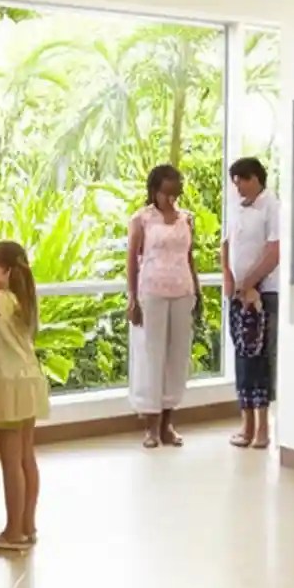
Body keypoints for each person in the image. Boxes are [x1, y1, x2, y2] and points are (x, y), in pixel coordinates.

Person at [0, 240, 49, 552]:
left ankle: (12, 532)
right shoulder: (22, 299)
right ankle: (27, 525)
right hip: (29, 379)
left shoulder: (1, 299)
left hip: (8, 383)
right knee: (26, 457)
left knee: (11, 461)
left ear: (5, 270)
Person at [126, 164, 201, 449]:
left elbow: (189, 257)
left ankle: (169, 423)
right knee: (151, 355)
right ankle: (151, 427)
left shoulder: (186, 219)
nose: (171, 198)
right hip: (152, 293)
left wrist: (198, 293)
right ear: (155, 191)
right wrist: (133, 298)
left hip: (182, 292)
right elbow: (132, 260)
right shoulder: (142, 219)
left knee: (176, 356)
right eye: (166, 193)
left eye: (175, 193)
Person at [222, 157, 280, 449]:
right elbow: (226, 244)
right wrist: (230, 281)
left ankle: (263, 428)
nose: (238, 187)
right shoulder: (235, 206)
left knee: (261, 359)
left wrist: (250, 283)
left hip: (263, 293)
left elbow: (274, 251)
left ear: (255, 178)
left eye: (242, 181)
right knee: (242, 358)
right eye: (234, 182)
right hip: (238, 295)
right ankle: (245, 425)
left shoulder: (271, 204)